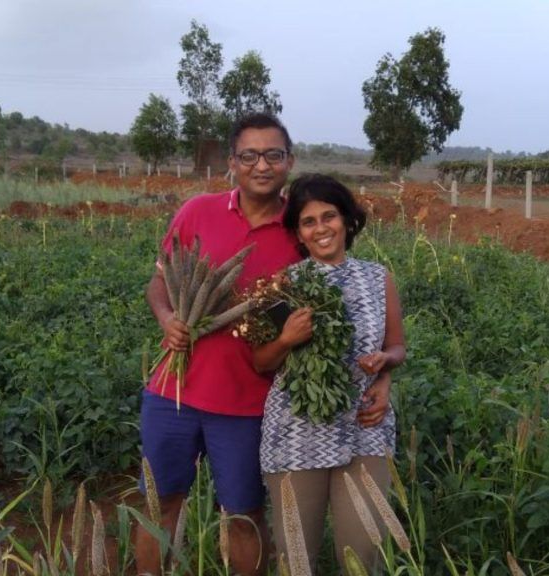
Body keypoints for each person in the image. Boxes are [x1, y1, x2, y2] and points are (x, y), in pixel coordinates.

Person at [138, 112, 302, 575]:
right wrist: (168, 317)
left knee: (244, 515)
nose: (262, 165)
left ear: (290, 161)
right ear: (231, 162)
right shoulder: (197, 212)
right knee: (159, 503)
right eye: (249, 155)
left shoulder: (300, 230)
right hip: (172, 393)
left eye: (273, 154)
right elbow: (159, 281)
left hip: (250, 402)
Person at [254, 174, 406, 574]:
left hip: (364, 426)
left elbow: (397, 346)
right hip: (296, 432)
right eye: (308, 221)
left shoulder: (378, 278)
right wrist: (286, 339)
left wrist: (384, 365)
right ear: (298, 234)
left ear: (348, 221)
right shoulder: (283, 286)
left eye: (329, 216)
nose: (321, 228)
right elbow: (261, 363)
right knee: (295, 558)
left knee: (362, 554)